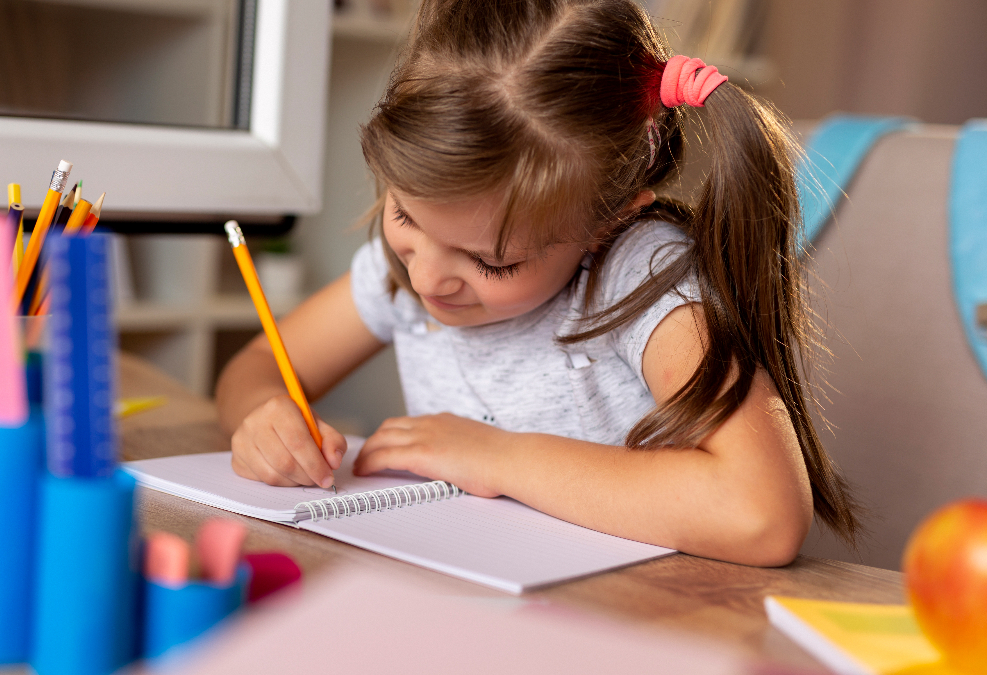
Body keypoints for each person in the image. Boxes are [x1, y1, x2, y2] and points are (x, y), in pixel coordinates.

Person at [215, 0, 859, 566]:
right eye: (404, 214)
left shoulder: (645, 281)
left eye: (491, 262)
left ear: (606, 223)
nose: (427, 276)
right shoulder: (399, 272)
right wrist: (262, 420)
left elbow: (762, 516)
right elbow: (254, 370)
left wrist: (497, 457)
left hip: (636, 619)